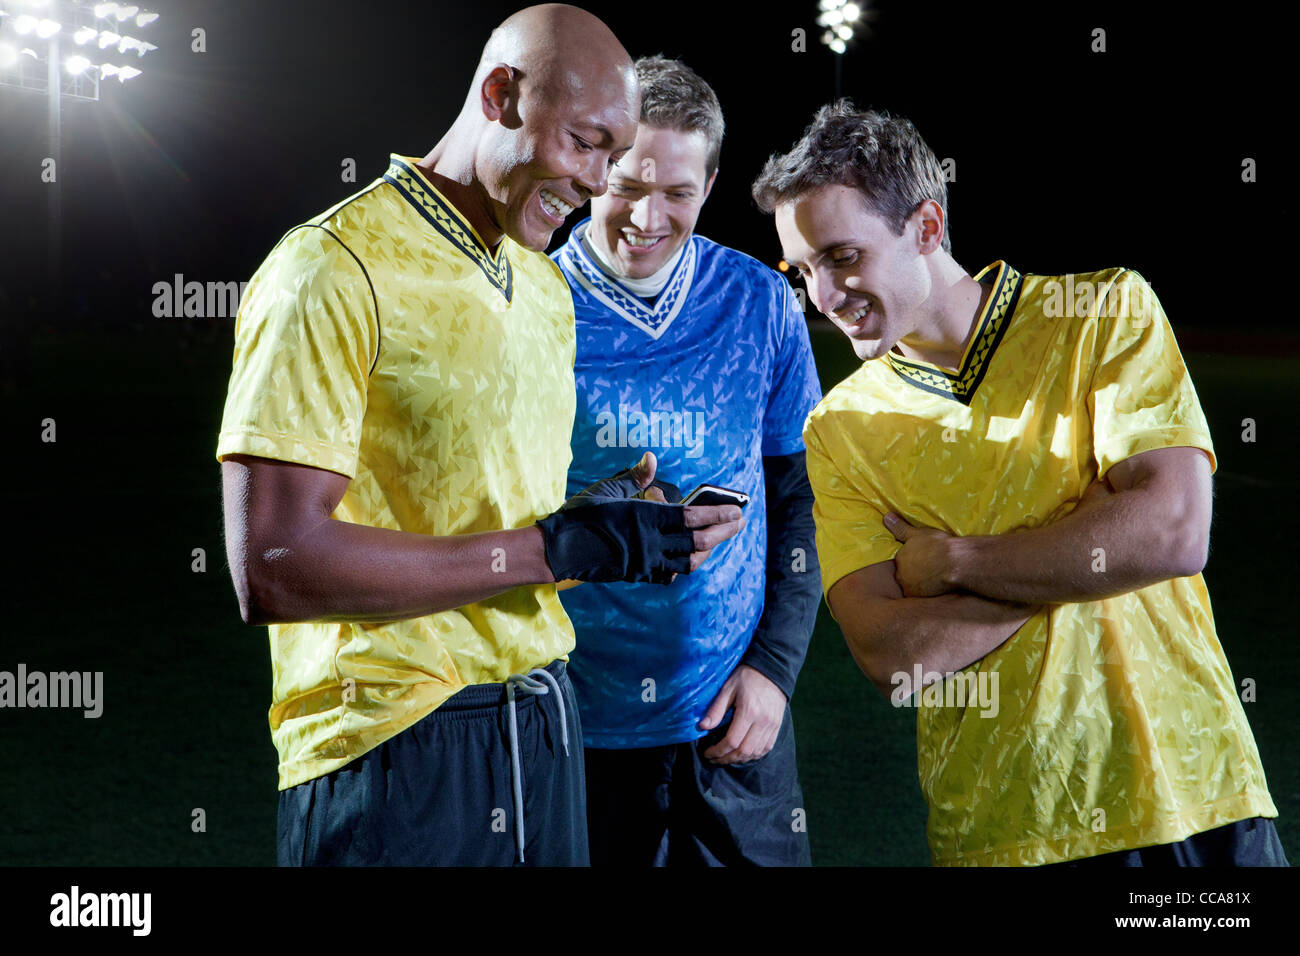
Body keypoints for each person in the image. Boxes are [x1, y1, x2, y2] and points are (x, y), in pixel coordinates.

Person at [215, 4, 742, 867]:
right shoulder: (329, 267)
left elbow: (487, 518)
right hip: (394, 743)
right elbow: (272, 564)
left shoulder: (542, 287)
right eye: (586, 143)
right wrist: (552, 548)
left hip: (543, 721)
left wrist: (597, 522)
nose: (601, 181)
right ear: (500, 95)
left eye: (614, 157)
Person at [752, 100, 1287, 867]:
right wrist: (1091, 535)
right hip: (999, 834)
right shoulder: (841, 428)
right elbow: (893, 659)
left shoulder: (1102, 314)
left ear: (928, 227)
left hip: (1194, 802)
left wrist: (956, 565)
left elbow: (1173, 532)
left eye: (841, 257)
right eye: (803, 270)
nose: (824, 297)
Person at [554, 57, 823, 866]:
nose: (647, 215)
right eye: (628, 185)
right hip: (571, 719)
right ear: (593, 168)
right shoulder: (524, 304)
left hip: (732, 719)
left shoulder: (761, 301)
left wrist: (774, 669)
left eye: (676, 192)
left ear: (709, 185)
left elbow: (802, 496)